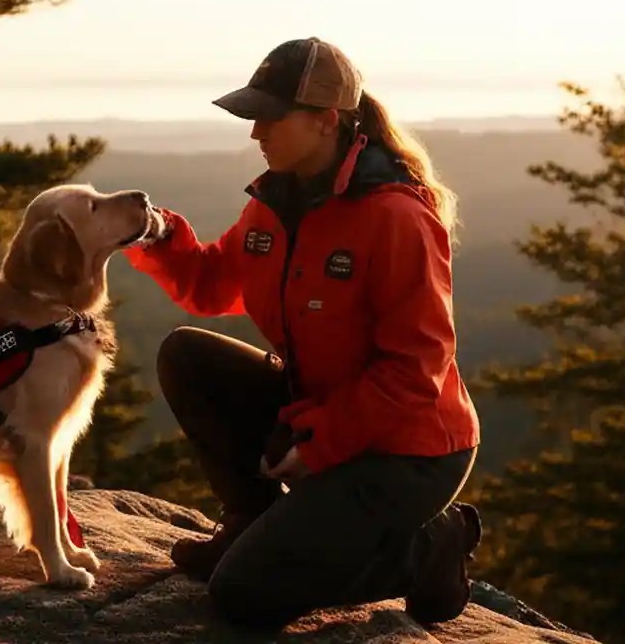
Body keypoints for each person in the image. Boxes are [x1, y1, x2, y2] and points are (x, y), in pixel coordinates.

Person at [123, 36, 482, 630]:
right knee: (186, 355)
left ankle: (430, 548)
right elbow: (212, 286)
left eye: (269, 117)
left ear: (325, 122)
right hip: (321, 412)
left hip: (407, 452)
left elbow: (418, 365)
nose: (255, 133)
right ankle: (249, 523)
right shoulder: (274, 204)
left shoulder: (395, 216)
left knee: (243, 594)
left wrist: (321, 444)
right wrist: (158, 234)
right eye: (252, 116)